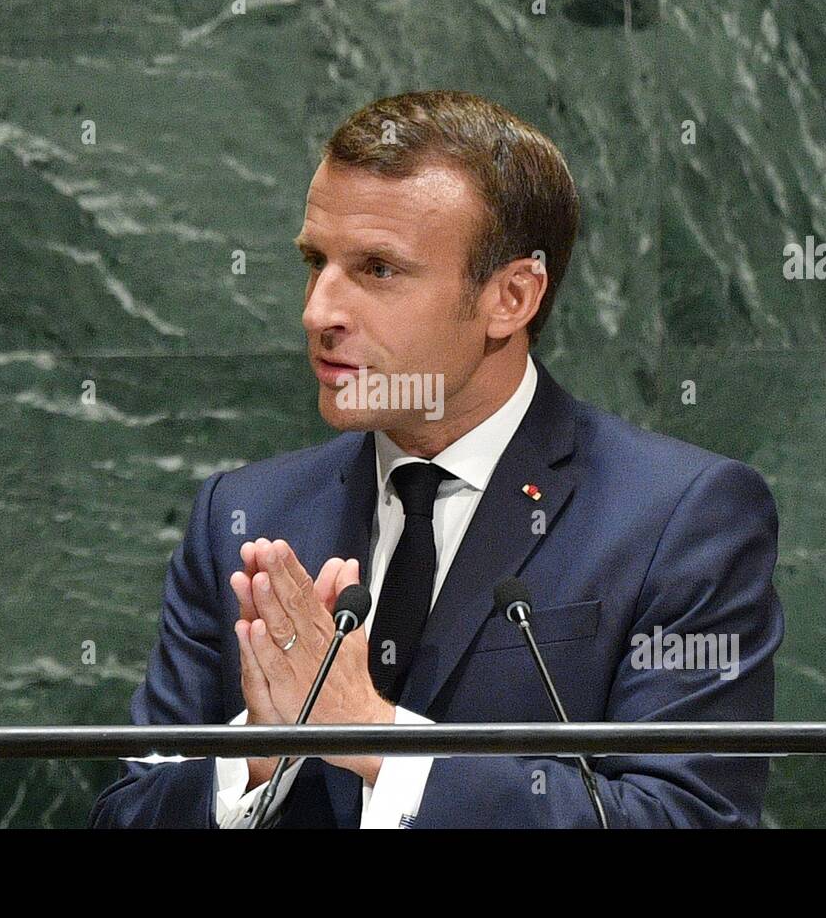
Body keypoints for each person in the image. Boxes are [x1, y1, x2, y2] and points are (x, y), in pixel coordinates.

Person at [89, 90, 784, 828]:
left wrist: (375, 739)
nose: (318, 311)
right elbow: (126, 814)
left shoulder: (681, 518)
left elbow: (686, 815)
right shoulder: (243, 518)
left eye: (378, 269)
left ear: (511, 297)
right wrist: (259, 753)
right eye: (315, 261)